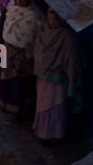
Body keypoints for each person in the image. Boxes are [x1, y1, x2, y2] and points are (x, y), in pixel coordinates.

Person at [34, 9, 81, 142]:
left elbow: (72, 59)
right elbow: (38, 55)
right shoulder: (42, 34)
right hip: (44, 78)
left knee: (57, 107)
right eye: (51, 19)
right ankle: (43, 133)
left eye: (58, 19)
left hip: (59, 80)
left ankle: (56, 135)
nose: (54, 22)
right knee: (43, 107)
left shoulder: (68, 36)